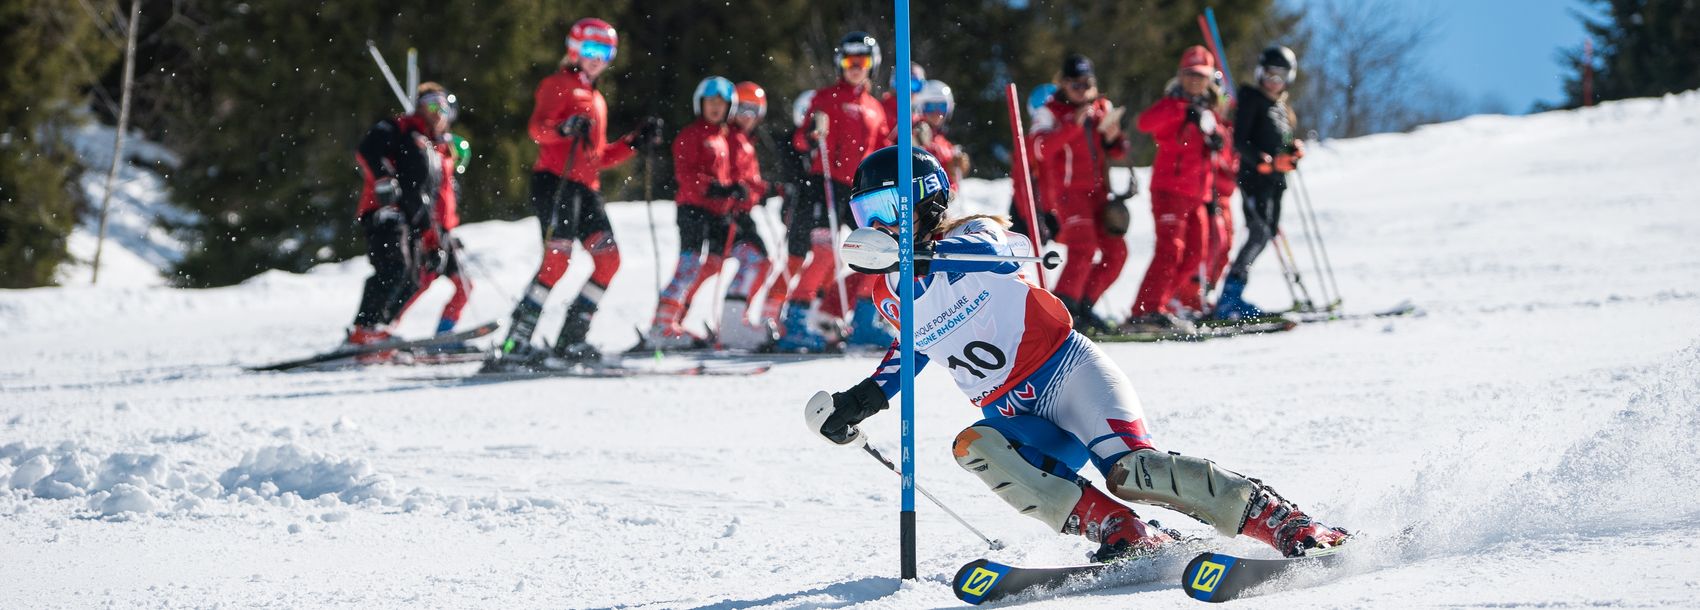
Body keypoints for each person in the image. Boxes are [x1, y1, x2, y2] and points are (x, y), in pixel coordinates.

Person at [804, 145, 1351, 563]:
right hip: (1011, 412)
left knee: (1132, 469)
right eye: (863, 211)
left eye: (886, 207)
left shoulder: (972, 237)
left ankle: (1279, 520)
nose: (873, 224)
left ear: (924, 199)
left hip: (1068, 375)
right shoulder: (888, 292)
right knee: (974, 446)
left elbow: (1007, 252)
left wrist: (924, 255)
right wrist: (862, 400)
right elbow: (913, 350)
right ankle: (1122, 531)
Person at [491, 17, 664, 369]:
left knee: (609, 259)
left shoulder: (596, 98)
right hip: (555, 181)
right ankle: (516, 341)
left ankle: (571, 338)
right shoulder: (559, 84)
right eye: (590, 49)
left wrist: (633, 143)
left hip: (587, 189)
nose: (598, 57)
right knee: (557, 261)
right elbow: (538, 129)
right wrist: (563, 127)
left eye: (606, 51)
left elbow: (596, 158)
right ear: (574, 49)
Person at [778, 31, 893, 352]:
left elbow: (882, 149)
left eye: (862, 61)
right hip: (825, 183)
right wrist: (814, 130)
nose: (855, 67)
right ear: (839, 62)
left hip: (862, 189)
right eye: (848, 60)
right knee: (826, 253)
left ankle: (864, 321)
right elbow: (800, 141)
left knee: (880, 250)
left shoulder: (875, 108)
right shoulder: (825, 97)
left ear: (872, 64)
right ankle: (796, 322)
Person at [345, 82, 461, 360]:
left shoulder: (433, 146)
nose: (437, 111)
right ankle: (364, 328)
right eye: (431, 104)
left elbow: (426, 195)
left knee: (412, 276)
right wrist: (383, 178)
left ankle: (379, 330)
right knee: (393, 266)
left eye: (443, 106)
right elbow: (367, 148)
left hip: (410, 219)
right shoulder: (400, 128)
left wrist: (432, 235)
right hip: (385, 211)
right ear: (419, 106)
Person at [1127, 46, 1228, 331]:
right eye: (1190, 74)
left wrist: (1216, 135)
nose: (1195, 80)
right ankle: (1145, 310)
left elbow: (1216, 150)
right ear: (1181, 75)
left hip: (1198, 196)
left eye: (1201, 75)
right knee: (1169, 250)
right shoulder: (1172, 103)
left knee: (1196, 254)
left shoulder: (1211, 110)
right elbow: (1146, 123)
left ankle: (1158, 303)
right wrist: (1184, 111)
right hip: (1169, 190)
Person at [1030, 54, 1129, 334]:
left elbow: (1119, 151)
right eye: (1075, 84)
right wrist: (1071, 125)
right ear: (1062, 83)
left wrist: (1115, 139)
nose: (1082, 89)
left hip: (1099, 195)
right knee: (1083, 248)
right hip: (1068, 194)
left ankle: (1084, 307)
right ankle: (1060, 314)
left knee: (1116, 252)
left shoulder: (1101, 108)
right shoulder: (1050, 111)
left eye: (1087, 83)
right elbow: (1039, 150)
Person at [646, 76, 740, 349]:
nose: (715, 108)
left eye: (721, 103)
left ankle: (677, 316)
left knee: (714, 262)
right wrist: (712, 188)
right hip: (692, 207)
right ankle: (661, 324)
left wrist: (735, 191)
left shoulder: (723, 138)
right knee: (688, 264)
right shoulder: (692, 134)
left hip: (717, 212)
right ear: (700, 103)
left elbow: (730, 175)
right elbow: (685, 173)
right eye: (710, 102)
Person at [1217, 46, 1304, 320]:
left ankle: (1232, 296)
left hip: (1276, 183)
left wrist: (1292, 151)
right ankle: (1229, 298)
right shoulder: (1251, 98)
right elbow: (1241, 140)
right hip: (1255, 179)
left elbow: (1281, 142)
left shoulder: (1281, 107)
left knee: (1266, 233)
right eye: (1269, 74)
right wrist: (1265, 162)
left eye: (1280, 75)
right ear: (1259, 72)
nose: (1274, 81)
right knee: (1258, 232)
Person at [718, 81, 779, 349]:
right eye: (742, 109)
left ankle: (738, 319)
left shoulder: (745, 141)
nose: (747, 116)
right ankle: (730, 324)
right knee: (753, 259)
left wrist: (767, 190)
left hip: (744, 211)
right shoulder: (728, 138)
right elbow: (728, 176)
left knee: (763, 261)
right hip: (730, 213)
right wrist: (740, 191)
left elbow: (749, 180)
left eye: (754, 110)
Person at [1007, 83, 1059, 245]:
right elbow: (1022, 184)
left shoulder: (1065, 139)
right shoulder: (1031, 144)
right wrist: (1032, 220)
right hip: (1030, 215)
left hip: (1054, 211)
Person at [912, 79, 969, 190]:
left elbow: (950, 183)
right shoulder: (912, 132)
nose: (936, 112)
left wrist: (957, 168)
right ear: (921, 108)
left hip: (942, 203)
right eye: (930, 107)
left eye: (941, 107)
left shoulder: (945, 144)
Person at [880, 62, 927, 135]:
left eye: (914, 85)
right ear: (893, 84)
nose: (908, 90)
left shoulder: (917, 119)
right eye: (902, 84)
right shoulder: (880, 111)